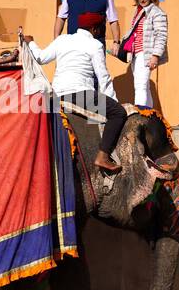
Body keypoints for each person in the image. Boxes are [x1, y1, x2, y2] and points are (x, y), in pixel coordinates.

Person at [24, 12, 126, 172]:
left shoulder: (62, 40)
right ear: (95, 29)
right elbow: (103, 76)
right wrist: (113, 102)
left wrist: (31, 43)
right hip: (81, 95)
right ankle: (103, 156)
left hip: (57, 96)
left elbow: (40, 58)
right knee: (118, 113)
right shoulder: (95, 45)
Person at [121, 0, 168, 107]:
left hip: (146, 54)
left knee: (140, 86)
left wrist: (155, 55)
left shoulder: (157, 12)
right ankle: (149, 118)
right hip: (136, 54)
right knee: (144, 86)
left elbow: (161, 35)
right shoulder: (138, 12)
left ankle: (139, 118)